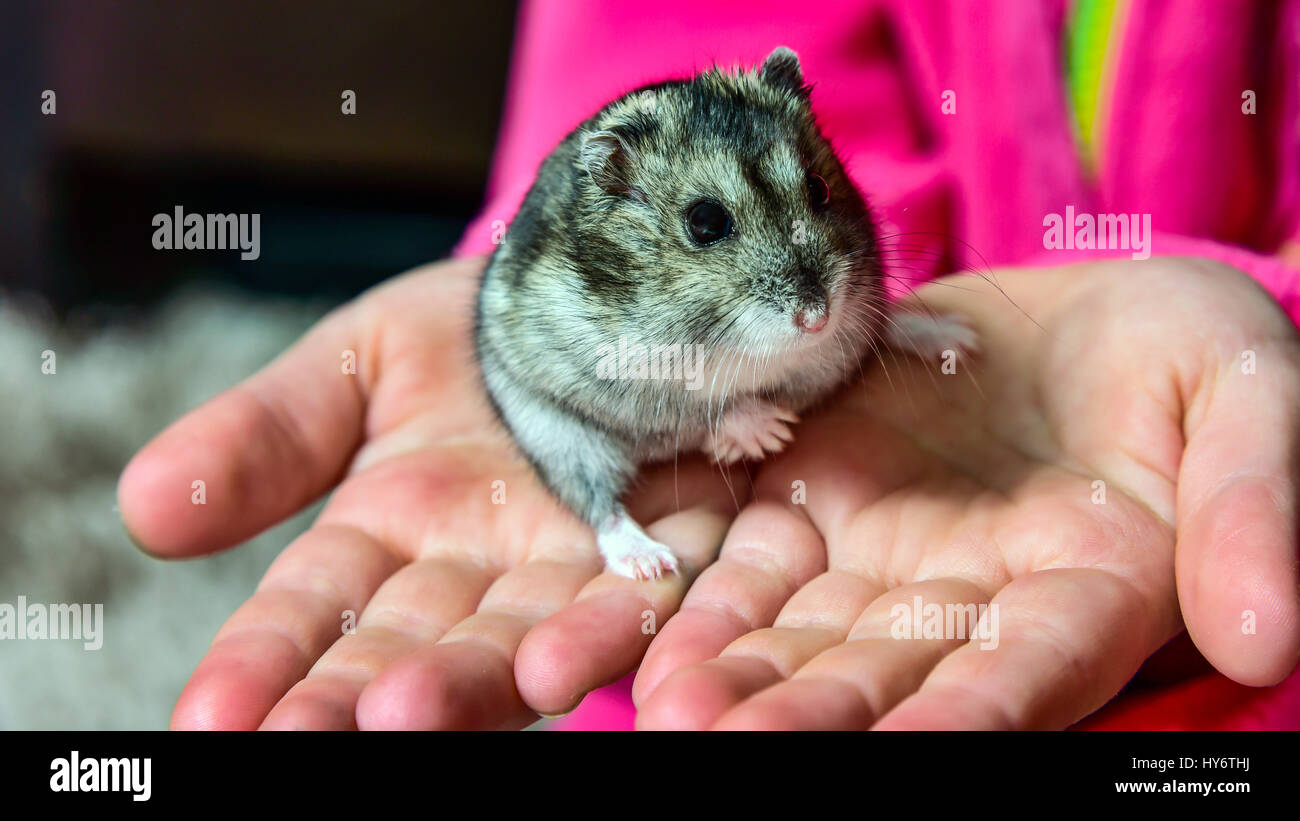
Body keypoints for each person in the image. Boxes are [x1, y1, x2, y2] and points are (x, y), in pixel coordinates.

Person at [119, 0, 1300, 729]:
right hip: (679, 604)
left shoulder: (815, 261)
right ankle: (612, 526)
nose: (808, 285)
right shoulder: (579, 310)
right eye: (708, 227)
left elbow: (815, 262)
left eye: (811, 200)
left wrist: (1261, 304)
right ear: (615, 198)